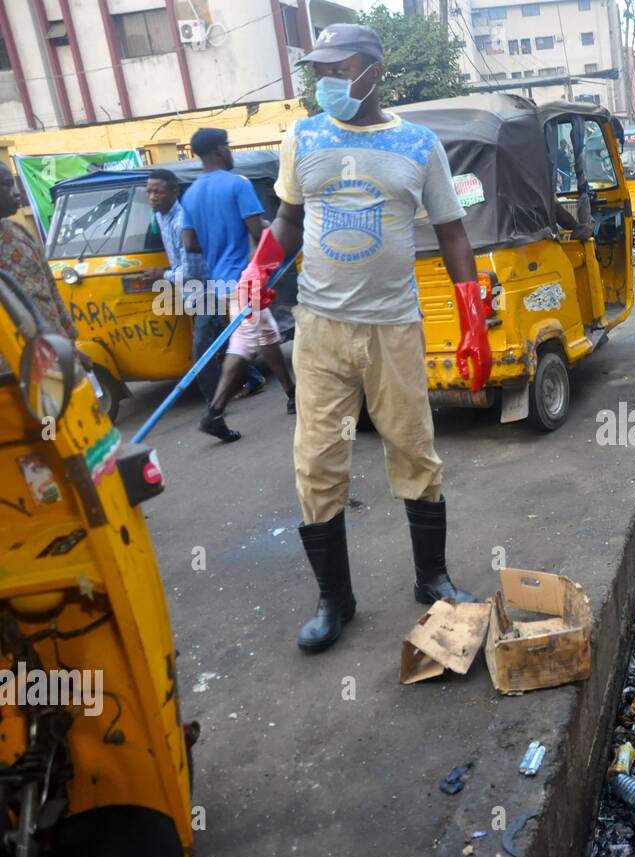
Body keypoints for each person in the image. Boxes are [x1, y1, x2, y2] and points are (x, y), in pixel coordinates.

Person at [247, 24, 492, 652]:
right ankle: (335, 600)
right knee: (317, 464)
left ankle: (431, 578)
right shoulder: (302, 137)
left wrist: (473, 321)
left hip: (394, 329)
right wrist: (259, 265)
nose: (324, 80)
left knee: (415, 451)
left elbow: (453, 233)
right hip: (320, 331)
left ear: (373, 72)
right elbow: (289, 217)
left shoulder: (417, 145)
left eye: (338, 67)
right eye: (318, 69)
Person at [181, 128, 295, 442]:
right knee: (244, 344)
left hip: (221, 280)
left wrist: (217, 240)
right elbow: (257, 232)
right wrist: (271, 234)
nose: (231, 153)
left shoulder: (189, 194)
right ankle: (215, 413)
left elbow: (189, 243)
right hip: (245, 277)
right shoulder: (237, 185)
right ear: (219, 150)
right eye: (228, 147)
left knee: (268, 333)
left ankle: (292, 394)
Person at [143, 169, 221, 400]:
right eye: (149, 192)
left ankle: (215, 402)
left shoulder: (181, 221)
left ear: (174, 191)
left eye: (158, 192)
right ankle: (252, 378)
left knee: (201, 348)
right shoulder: (160, 216)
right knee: (218, 339)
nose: (152, 197)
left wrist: (161, 275)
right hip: (189, 292)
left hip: (206, 289)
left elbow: (192, 272)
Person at [0, 165, 83, 371]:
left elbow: (50, 287)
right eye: (8, 185)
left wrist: (71, 345)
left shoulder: (19, 231)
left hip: (57, 350)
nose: (17, 192)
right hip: (18, 366)